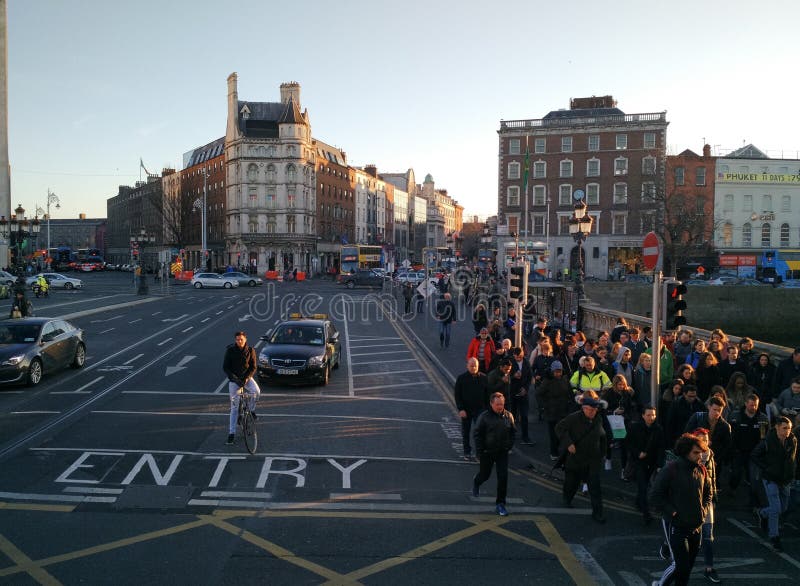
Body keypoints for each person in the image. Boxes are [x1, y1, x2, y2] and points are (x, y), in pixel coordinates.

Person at [650, 433, 712, 586]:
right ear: (685, 452)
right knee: (680, 566)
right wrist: (672, 511)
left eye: (701, 452)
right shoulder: (671, 469)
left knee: (687, 568)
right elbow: (656, 495)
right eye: (696, 453)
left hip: (696, 527)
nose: (700, 456)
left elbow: (708, 493)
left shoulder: (702, 470)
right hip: (676, 526)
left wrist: (703, 511)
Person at [556, 390, 608, 523]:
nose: (592, 412)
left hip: (593, 460)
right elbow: (559, 428)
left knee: (595, 488)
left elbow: (603, 436)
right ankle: (567, 499)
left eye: (594, 410)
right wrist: (568, 443)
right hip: (576, 459)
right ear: (583, 408)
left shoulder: (599, 419)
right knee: (571, 483)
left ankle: (598, 513)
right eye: (589, 410)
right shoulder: (573, 418)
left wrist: (603, 453)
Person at [751, 416, 798, 553]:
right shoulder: (768, 441)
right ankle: (774, 537)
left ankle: (762, 513)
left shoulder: (792, 440)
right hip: (771, 478)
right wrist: (767, 468)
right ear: (777, 427)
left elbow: (793, 459)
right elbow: (754, 455)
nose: (787, 431)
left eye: (789, 428)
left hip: (785, 479)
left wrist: (792, 473)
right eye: (784, 428)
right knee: (776, 508)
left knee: (783, 507)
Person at [472, 392, 516, 516]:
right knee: (485, 475)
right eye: (497, 404)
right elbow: (477, 434)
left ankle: (500, 504)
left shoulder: (509, 416)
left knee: (503, 478)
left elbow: (513, 432)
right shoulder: (484, 417)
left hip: (502, 452)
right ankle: (477, 481)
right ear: (491, 403)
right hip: (487, 452)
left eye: (502, 404)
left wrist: (509, 446)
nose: (500, 407)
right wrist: (480, 451)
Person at [690, 428, 720, 585]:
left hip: (707, 501)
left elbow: (713, 477)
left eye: (706, 440)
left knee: (708, 536)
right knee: (690, 536)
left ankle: (709, 568)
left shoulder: (710, 455)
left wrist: (714, 496)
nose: (704, 443)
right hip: (690, 502)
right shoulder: (689, 457)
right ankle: (680, 564)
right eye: (701, 440)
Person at [626, 405, 665, 525]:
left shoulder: (658, 429)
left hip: (651, 462)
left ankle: (638, 502)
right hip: (638, 462)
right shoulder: (635, 427)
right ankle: (646, 514)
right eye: (648, 415)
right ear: (643, 415)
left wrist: (659, 464)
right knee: (643, 487)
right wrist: (638, 453)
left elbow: (661, 447)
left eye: (653, 415)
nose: (651, 417)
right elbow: (628, 443)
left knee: (644, 484)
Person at [729, 394, 769, 507]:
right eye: (751, 405)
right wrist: (732, 450)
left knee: (753, 478)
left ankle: (753, 502)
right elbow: (730, 434)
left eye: (756, 405)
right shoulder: (736, 416)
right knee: (736, 474)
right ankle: (732, 488)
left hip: (754, 453)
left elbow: (765, 437)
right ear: (746, 404)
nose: (754, 408)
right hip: (739, 451)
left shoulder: (762, 418)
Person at [222, 331, 260, 445]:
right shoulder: (230, 350)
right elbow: (225, 367)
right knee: (234, 408)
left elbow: (253, 367)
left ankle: (251, 410)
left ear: (245, 339)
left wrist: (247, 378)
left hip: (246, 378)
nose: (239, 341)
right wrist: (235, 379)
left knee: (256, 391)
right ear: (235, 340)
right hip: (235, 381)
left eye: (241, 339)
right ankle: (231, 433)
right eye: (237, 339)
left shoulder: (251, 350)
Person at [536, 360, 574, 460]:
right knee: (553, 433)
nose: (558, 374)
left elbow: (569, 392)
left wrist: (571, 402)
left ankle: (562, 450)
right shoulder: (547, 381)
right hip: (551, 411)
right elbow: (538, 393)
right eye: (556, 372)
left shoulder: (565, 378)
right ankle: (553, 452)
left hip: (563, 410)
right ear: (552, 371)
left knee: (563, 431)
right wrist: (544, 406)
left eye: (559, 371)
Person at [454, 358, 489, 459]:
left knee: (479, 432)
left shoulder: (484, 378)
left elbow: (488, 394)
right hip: (466, 410)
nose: (473, 368)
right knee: (466, 432)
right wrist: (461, 409)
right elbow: (457, 395)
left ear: (478, 366)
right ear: (467, 366)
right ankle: (467, 452)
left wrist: (487, 409)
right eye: (471, 366)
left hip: (480, 410)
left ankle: (479, 453)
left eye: (475, 366)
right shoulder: (461, 378)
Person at [684, 394, 732, 467]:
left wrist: (716, 461)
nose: (717, 413)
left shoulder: (725, 426)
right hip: (694, 458)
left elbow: (726, 447)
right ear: (709, 407)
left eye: (719, 410)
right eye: (714, 409)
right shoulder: (698, 418)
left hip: (714, 461)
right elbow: (686, 435)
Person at [509, 346, 533, 444]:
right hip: (513, 392)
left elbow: (529, 377)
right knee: (512, 415)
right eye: (516, 357)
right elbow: (504, 374)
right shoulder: (510, 362)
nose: (518, 358)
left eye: (519, 357)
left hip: (523, 393)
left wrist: (525, 389)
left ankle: (525, 436)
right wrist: (513, 376)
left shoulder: (526, 363)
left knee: (524, 416)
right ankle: (511, 435)